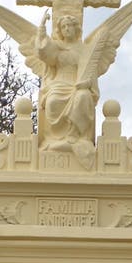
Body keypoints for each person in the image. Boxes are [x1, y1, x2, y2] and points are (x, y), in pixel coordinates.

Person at [35, 10, 98, 164]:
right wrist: (42, 28)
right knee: (52, 102)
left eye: (70, 26)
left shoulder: (84, 49)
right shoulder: (56, 46)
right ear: (60, 30)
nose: (67, 29)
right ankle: (53, 139)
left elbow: (91, 71)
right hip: (58, 83)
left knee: (83, 96)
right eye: (64, 27)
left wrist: (87, 84)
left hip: (78, 84)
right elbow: (43, 52)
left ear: (76, 28)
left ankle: (74, 136)